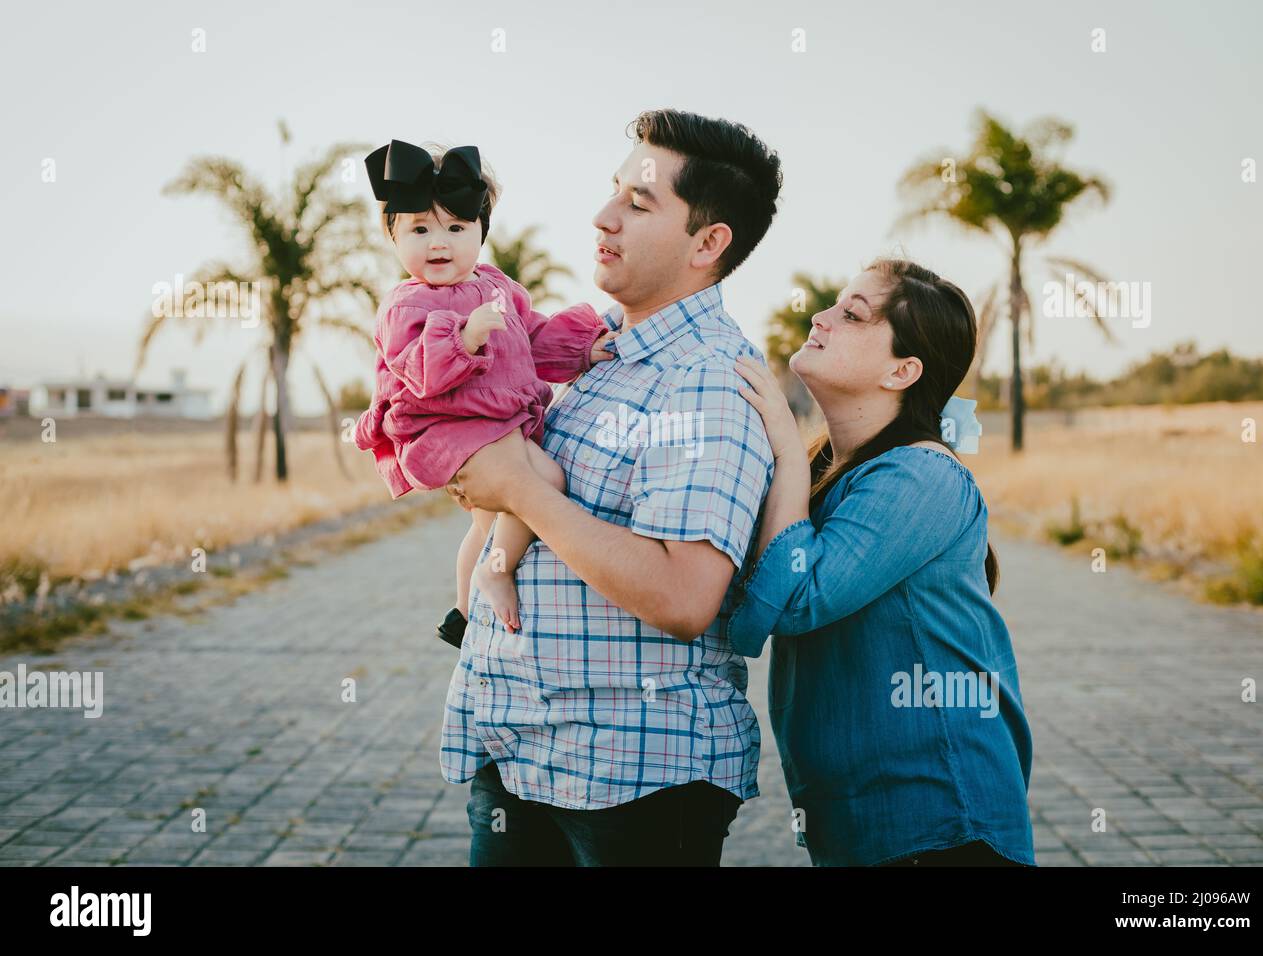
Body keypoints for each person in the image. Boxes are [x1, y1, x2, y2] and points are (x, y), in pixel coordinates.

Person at [442, 108, 783, 865]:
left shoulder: (706, 383)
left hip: (634, 781)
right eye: (612, 192)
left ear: (708, 243)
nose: (604, 217)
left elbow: (685, 596)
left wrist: (525, 495)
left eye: (639, 203)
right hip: (523, 757)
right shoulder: (598, 356)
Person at [726, 257, 1036, 867]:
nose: (821, 316)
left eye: (852, 313)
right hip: (858, 821)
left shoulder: (922, 474)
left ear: (903, 370)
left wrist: (786, 448)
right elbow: (742, 610)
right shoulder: (822, 475)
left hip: (940, 820)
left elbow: (794, 601)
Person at [352, 139, 617, 644]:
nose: (439, 243)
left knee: (491, 517)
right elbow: (418, 374)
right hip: (445, 428)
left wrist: (583, 350)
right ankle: (495, 571)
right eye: (420, 229)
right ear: (393, 237)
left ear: (480, 232)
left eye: (456, 228)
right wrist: (465, 336)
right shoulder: (404, 305)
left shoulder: (498, 287)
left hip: (495, 425)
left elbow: (531, 337)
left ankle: (462, 609)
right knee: (545, 481)